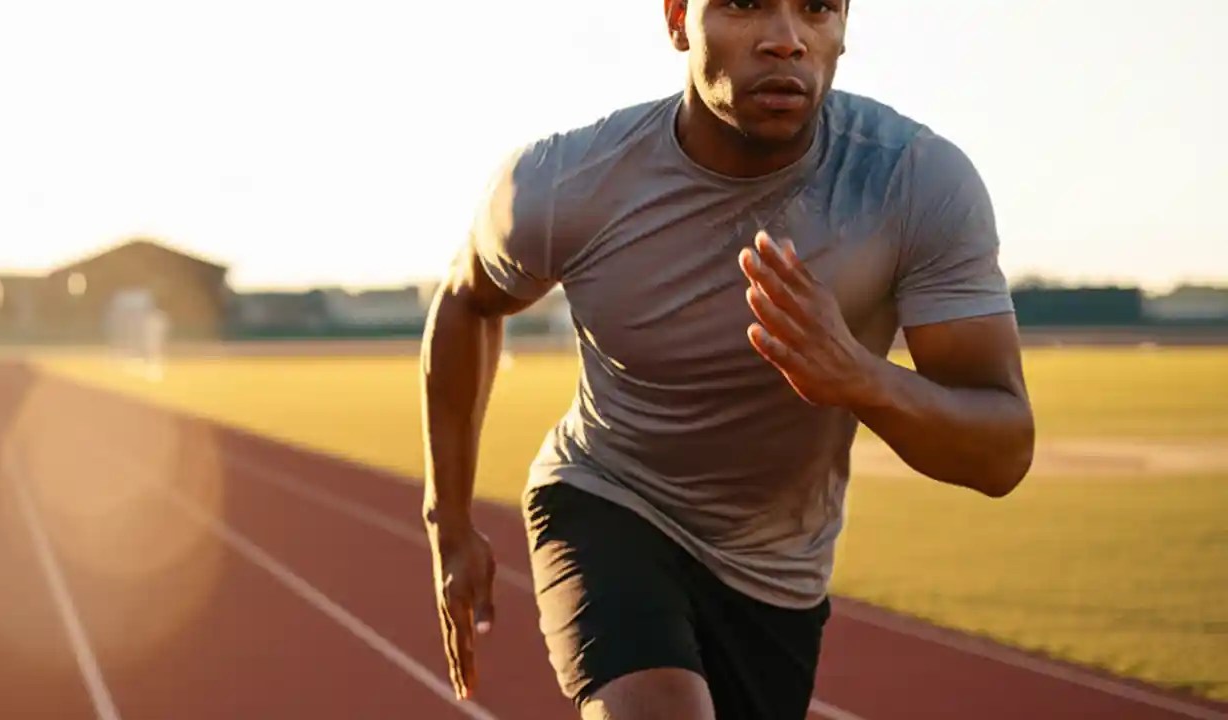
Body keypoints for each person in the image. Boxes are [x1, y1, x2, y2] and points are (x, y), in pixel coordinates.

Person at [418, 0, 1036, 717]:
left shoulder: (914, 183)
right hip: (609, 498)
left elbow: (1002, 453)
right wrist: (450, 525)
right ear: (678, 18)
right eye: (744, 6)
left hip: (779, 573)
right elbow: (466, 302)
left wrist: (861, 379)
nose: (785, 41)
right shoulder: (568, 182)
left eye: (816, 9)